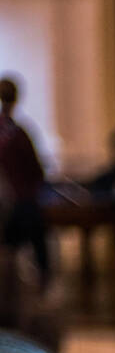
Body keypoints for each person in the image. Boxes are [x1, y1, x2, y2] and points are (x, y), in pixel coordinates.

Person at [0, 76, 50, 289]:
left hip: (13, 207)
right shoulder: (18, 135)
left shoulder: (17, 133)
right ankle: (43, 286)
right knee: (38, 242)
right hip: (18, 206)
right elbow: (36, 171)